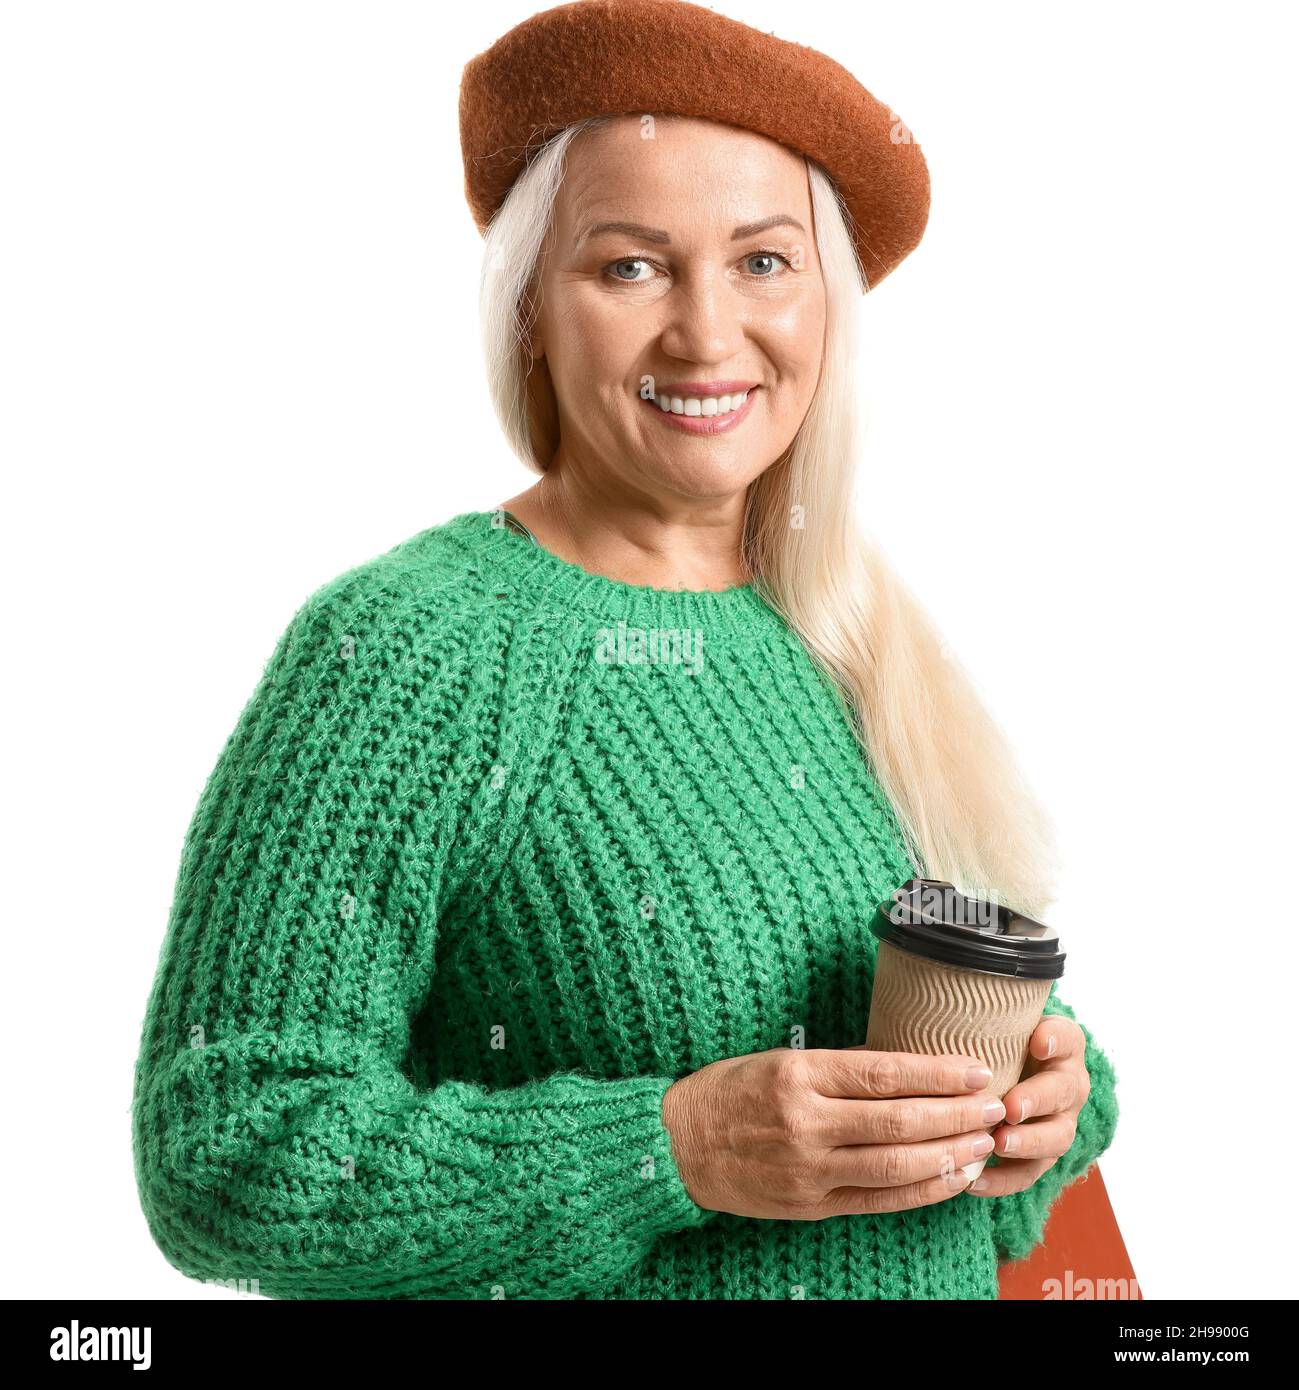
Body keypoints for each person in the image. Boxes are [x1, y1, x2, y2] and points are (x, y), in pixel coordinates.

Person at [131, 0, 1118, 1300]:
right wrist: (675, 1148)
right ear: (535, 303)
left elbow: (967, 1198)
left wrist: (1053, 1096)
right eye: (631, 265)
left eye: (764, 260)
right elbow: (226, 1149)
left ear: (827, 301)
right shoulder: (416, 647)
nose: (707, 334)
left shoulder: (853, 631)